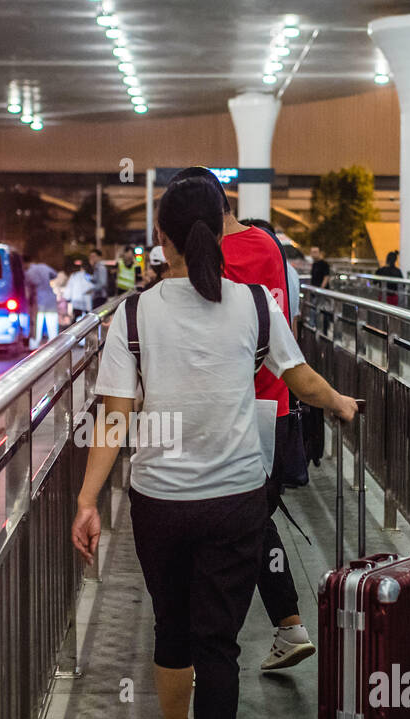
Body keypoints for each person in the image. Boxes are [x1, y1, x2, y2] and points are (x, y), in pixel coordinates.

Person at [70, 174, 358, 719]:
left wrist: (87, 500)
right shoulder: (254, 304)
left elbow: (114, 417)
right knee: (220, 645)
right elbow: (299, 378)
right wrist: (339, 403)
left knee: (172, 628)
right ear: (224, 226)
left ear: (160, 237)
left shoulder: (136, 313)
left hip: (160, 500)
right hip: (236, 499)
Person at [173, 166, 311, 672]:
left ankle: (211, 644)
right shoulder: (267, 244)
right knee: (252, 517)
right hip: (275, 403)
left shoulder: (216, 257)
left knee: (238, 524)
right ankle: (285, 626)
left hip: (232, 411)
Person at [24, 258, 60, 348]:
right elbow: (55, 275)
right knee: (52, 326)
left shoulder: (28, 273)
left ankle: (34, 345)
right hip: (50, 299)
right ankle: (54, 345)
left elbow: (28, 290)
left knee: (36, 325)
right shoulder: (44, 267)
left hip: (38, 301)